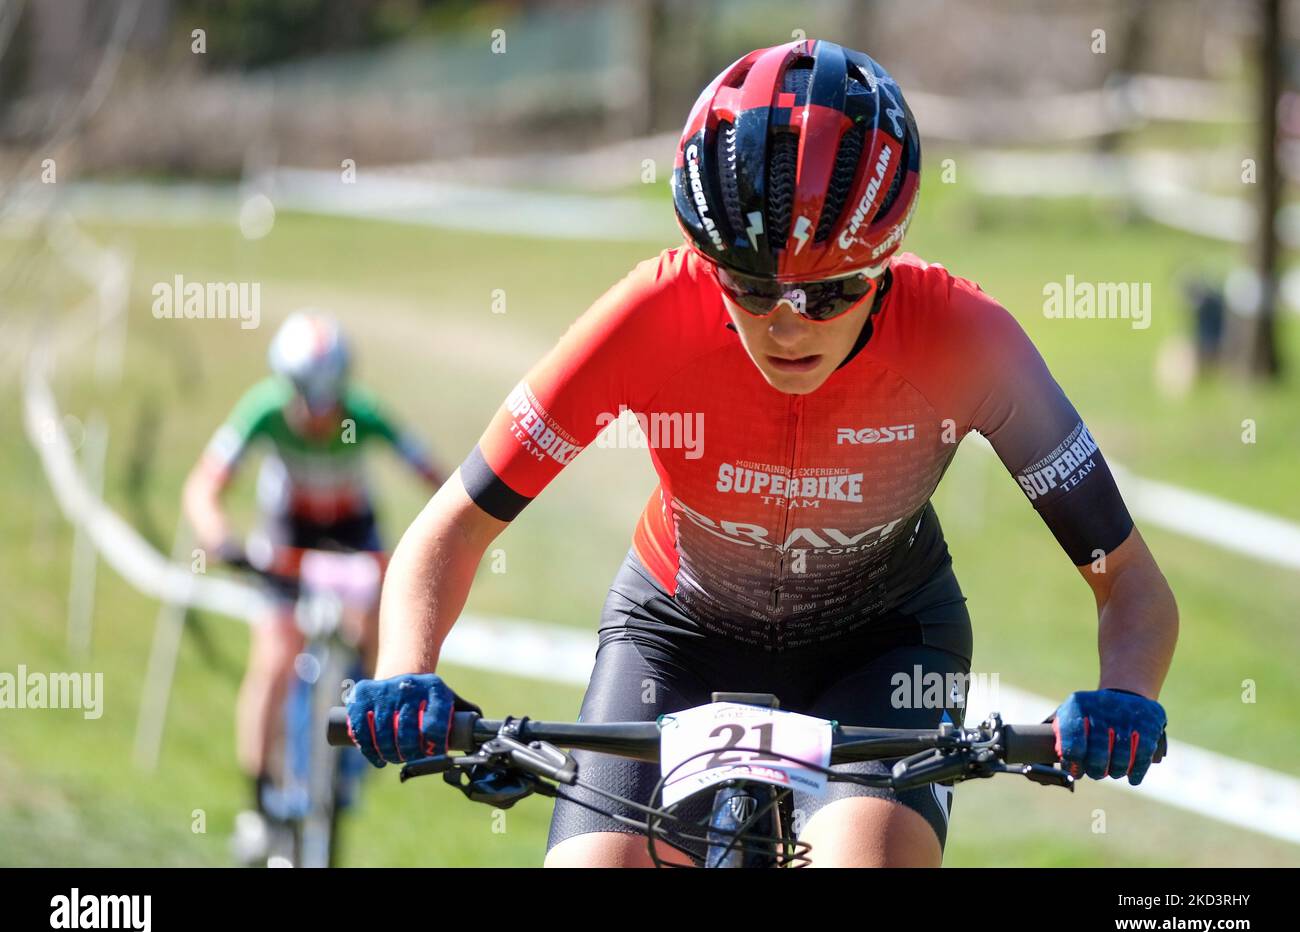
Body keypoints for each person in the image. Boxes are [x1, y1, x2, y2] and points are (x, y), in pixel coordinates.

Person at [347, 39, 1177, 867]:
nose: (787, 325)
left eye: (830, 292)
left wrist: (1125, 696)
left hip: (884, 644)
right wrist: (406, 669)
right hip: (676, 632)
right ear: (706, 262)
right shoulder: (648, 317)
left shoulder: (967, 343)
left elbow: (1132, 588)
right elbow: (451, 528)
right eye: (747, 285)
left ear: (885, 262)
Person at [182, 309, 446, 834]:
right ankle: (257, 799)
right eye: (307, 397)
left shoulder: (365, 414)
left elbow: (437, 480)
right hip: (289, 529)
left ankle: (369, 726)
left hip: (352, 530)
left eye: (330, 399)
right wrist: (220, 539)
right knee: (275, 658)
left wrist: (443, 547)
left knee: (377, 625)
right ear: (288, 386)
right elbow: (202, 486)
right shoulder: (263, 410)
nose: (320, 415)